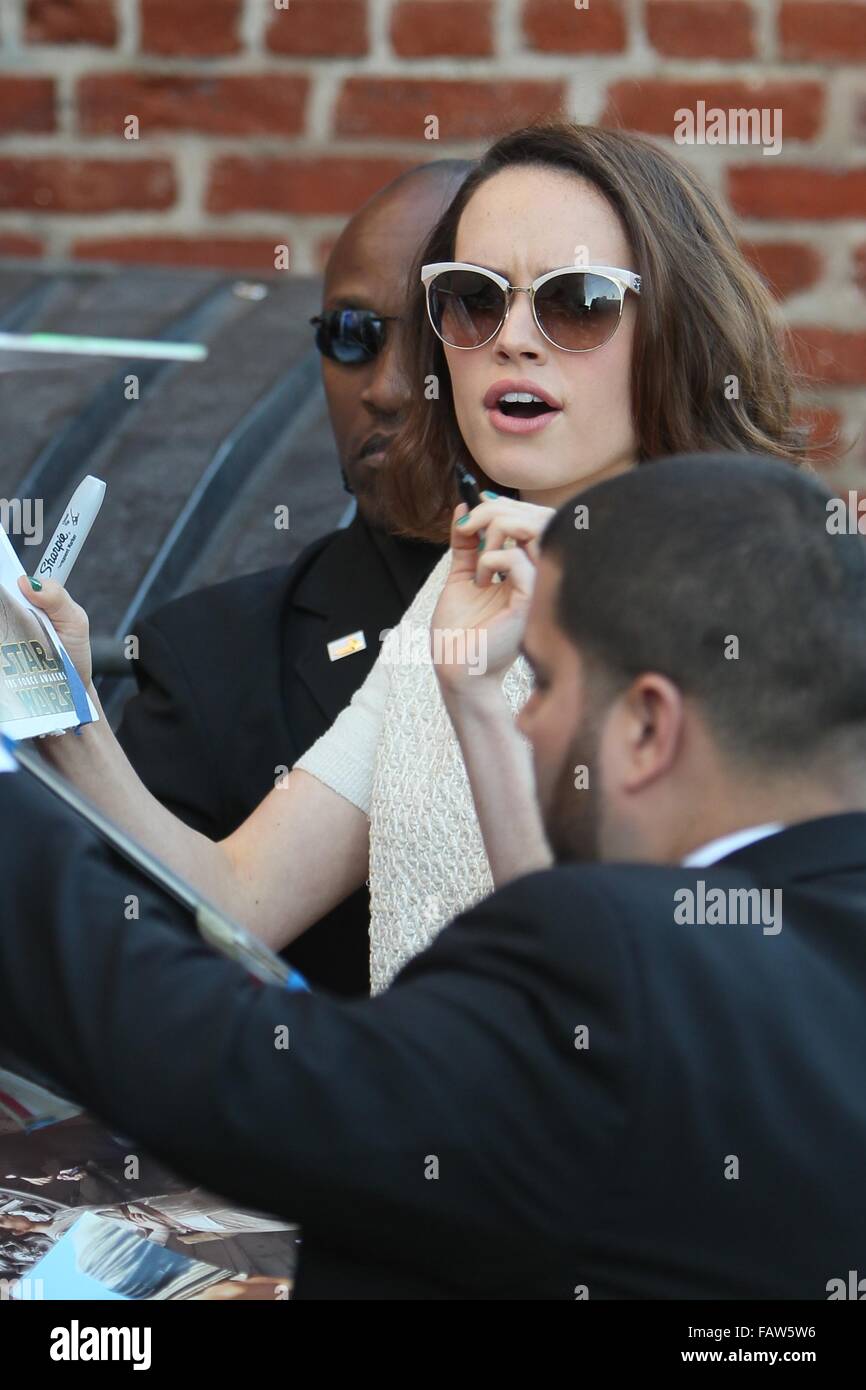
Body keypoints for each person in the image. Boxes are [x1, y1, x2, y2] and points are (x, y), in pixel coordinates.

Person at [2, 455, 865, 1299]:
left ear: (647, 728)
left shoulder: (625, 967)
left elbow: (241, 1082)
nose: (529, 712)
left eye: (550, 680)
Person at [25, 122, 807, 994]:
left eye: (576, 300)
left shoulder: (758, 602)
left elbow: (634, 999)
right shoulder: (461, 587)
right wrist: (63, 702)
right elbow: (237, 898)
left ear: (674, 329)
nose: (512, 338)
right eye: (475, 299)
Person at [114, 162, 470, 996]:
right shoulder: (213, 660)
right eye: (351, 334)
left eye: (433, 333)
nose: (385, 387)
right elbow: (146, 967)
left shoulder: (658, 606)